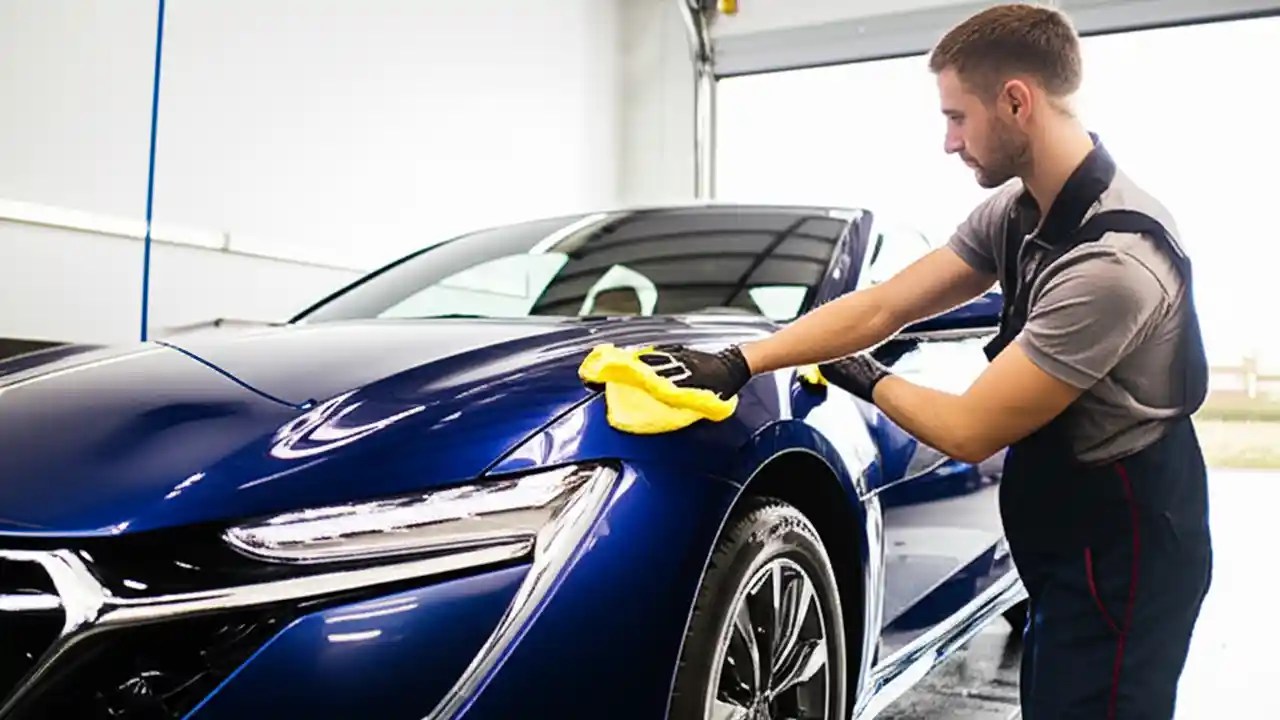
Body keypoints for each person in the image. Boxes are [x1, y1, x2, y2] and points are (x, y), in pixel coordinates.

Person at [642, 3, 1212, 718]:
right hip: (1066, 533)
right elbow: (885, 306)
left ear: (1015, 102)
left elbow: (973, 430)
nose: (949, 143)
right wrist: (741, 360)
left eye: (956, 117)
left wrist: (867, 377)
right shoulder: (1018, 210)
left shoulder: (1114, 261)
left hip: (1126, 544)